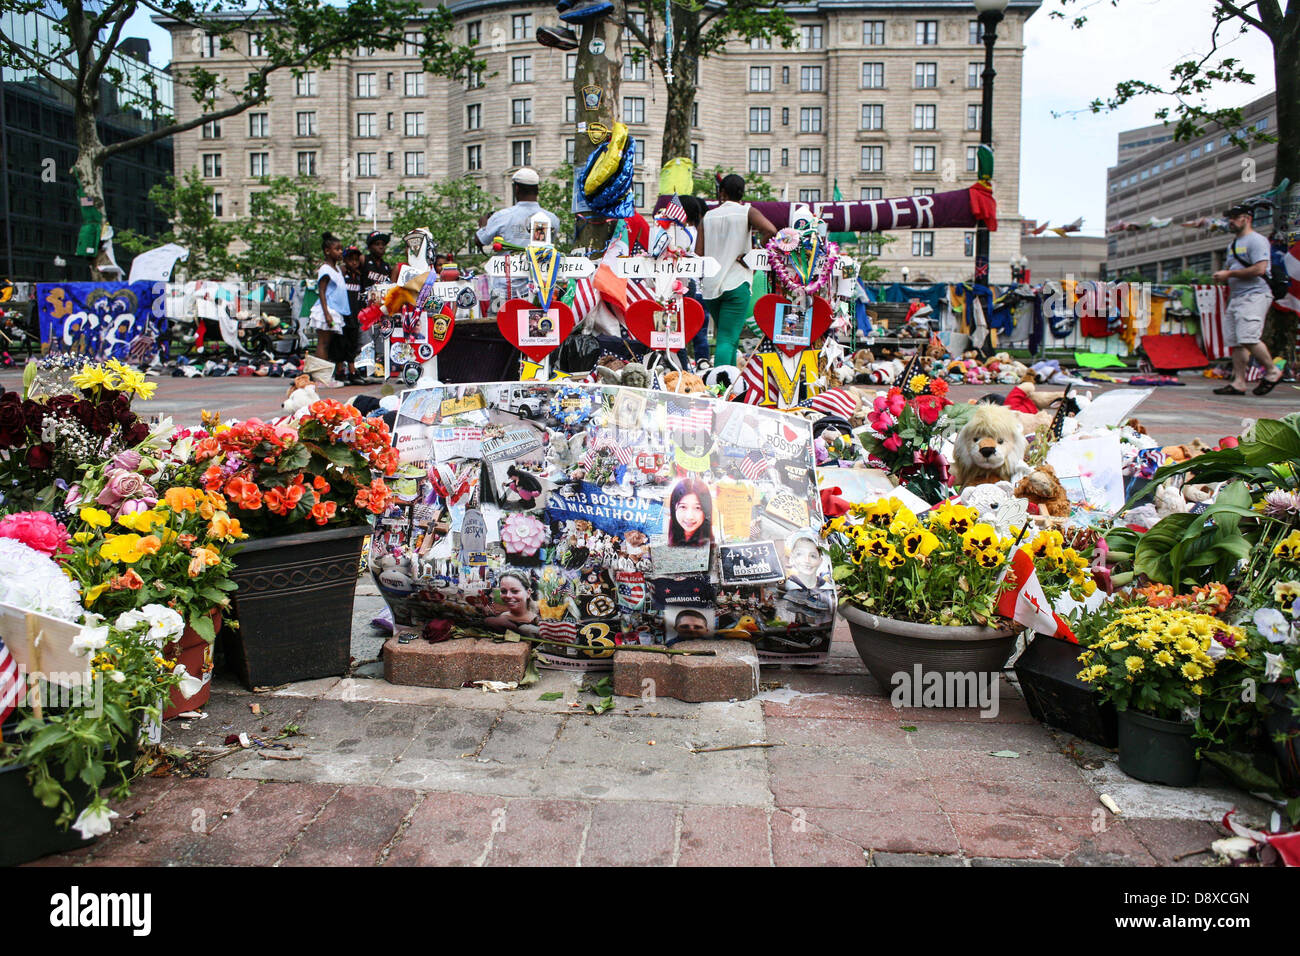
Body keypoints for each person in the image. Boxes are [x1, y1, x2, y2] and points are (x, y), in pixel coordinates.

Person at [700, 174, 777, 368]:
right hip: (737, 282)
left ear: (721, 192)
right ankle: (720, 386)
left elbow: (698, 252)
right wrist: (755, 252)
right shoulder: (747, 212)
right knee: (728, 338)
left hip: (711, 286)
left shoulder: (707, 216)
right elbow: (771, 230)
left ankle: (728, 379)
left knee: (729, 338)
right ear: (742, 193)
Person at [1213, 203, 1284, 396]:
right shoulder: (1232, 245)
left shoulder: (1257, 241)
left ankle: (1272, 371)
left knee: (1248, 337)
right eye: (1230, 218)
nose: (1231, 222)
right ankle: (1239, 382)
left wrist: (1229, 273)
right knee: (1235, 341)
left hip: (1255, 294)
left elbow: (1260, 269)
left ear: (1247, 218)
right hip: (1236, 296)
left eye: (1235, 217)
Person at [476, 168, 562, 302]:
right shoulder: (552, 219)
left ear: (516, 189)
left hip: (505, 291)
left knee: (498, 323)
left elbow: (480, 241)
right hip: (539, 292)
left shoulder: (502, 216)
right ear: (537, 189)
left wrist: (483, 226)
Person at [309, 233, 350, 388]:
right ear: (327, 251)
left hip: (335, 309)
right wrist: (326, 313)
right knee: (323, 343)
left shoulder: (338, 269)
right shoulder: (325, 269)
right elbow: (322, 291)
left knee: (328, 344)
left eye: (341, 249)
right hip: (327, 309)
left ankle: (324, 376)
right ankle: (321, 378)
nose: (340, 252)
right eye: (337, 249)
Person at [678, 194, 711, 369]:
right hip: (701, 286)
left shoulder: (677, 233)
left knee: (679, 329)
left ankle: (682, 364)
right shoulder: (700, 231)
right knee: (701, 329)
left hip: (682, 286)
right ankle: (702, 360)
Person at [333, 245, 365, 385]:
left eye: (356, 260)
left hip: (354, 315)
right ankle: (340, 371)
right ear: (344, 260)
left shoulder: (358, 276)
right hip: (342, 315)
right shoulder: (341, 274)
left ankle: (352, 371)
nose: (353, 262)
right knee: (340, 344)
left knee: (352, 344)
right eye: (350, 259)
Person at [667, 478, 712, 547]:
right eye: (683, 507)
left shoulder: (712, 544)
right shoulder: (663, 536)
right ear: (674, 508)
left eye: (697, 508)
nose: (689, 516)